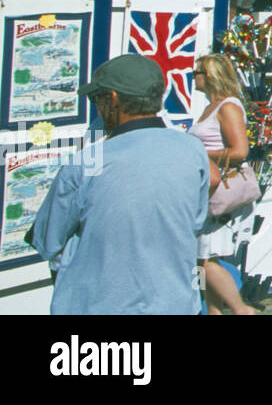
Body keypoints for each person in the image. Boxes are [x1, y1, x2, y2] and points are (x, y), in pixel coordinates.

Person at [30, 54, 209, 314]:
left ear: (112, 99)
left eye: (96, 100)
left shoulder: (87, 163)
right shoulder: (193, 150)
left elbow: (48, 241)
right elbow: (196, 221)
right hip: (175, 304)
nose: (97, 109)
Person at [191, 53, 257, 314]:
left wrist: (199, 153)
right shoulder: (210, 107)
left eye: (198, 72)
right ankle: (214, 310)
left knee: (205, 259)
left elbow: (240, 151)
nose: (194, 76)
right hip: (207, 188)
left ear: (211, 76)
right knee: (203, 257)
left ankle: (241, 310)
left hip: (220, 189)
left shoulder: (227, 107)